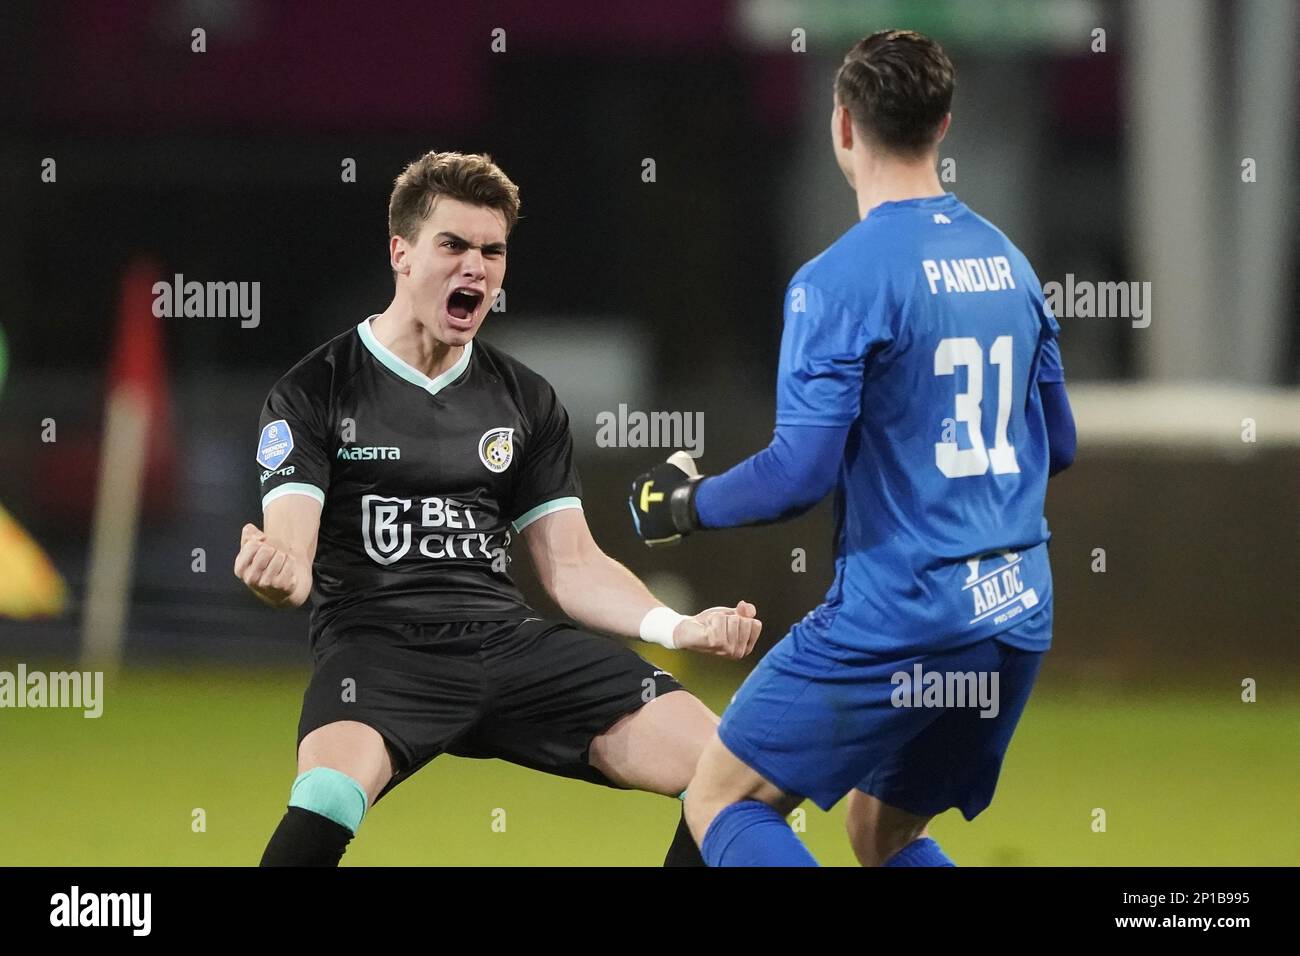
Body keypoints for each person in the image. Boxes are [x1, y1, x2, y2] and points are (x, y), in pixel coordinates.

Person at [236, 150, 762, 866]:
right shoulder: (315, 390)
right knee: (326, 798)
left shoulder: (524, 398)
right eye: (452, 245)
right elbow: (292, 555)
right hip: (380, 651)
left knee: (732, 775)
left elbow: (571, 566)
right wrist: (281, 576)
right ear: (401, 252)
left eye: (492, 250)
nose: (475, 268)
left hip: (507, 645)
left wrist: (676, 626)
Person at [629, 30, 1076, 866]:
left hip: (901, 613)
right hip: (1016, 613)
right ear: (943, 125)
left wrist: (682, 504)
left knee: (719, 795)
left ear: (842, 126)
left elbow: (798, 475)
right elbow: (1062, 446)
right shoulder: (1010, 265)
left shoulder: (836, 280)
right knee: (882, 829)